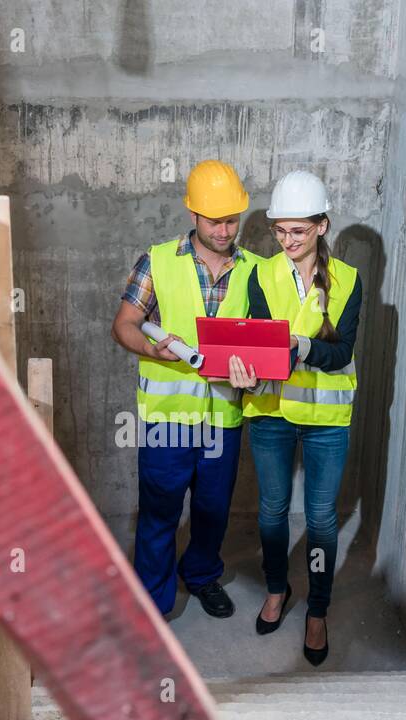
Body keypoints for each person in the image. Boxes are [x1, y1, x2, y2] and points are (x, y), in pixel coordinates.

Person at [110, 160, 257, 618]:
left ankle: (201, 576)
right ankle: (153, 600)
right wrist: (156, 353)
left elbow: (264, 340)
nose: (225, 229)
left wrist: (254, 371)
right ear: (192, 214)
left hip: (223, 419)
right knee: (159, 513)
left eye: (232, 219)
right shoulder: (157, 261)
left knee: (213, 510)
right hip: (167, 419)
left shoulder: (256, 269)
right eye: (215, 220)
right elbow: (124, 326)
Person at [232, 170, 363, 665]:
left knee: (323, 517)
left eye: (299, 232)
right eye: (280, 231)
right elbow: (261, 347)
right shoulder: (260, 274)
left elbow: (341, 352)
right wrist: (243, 372)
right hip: (271, 411)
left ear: (323, 226)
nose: (287, 241)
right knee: (272, 509)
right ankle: (275, 589)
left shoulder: (348, 280)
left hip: (327, 416)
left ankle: (318, 609)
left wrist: (301, 345)